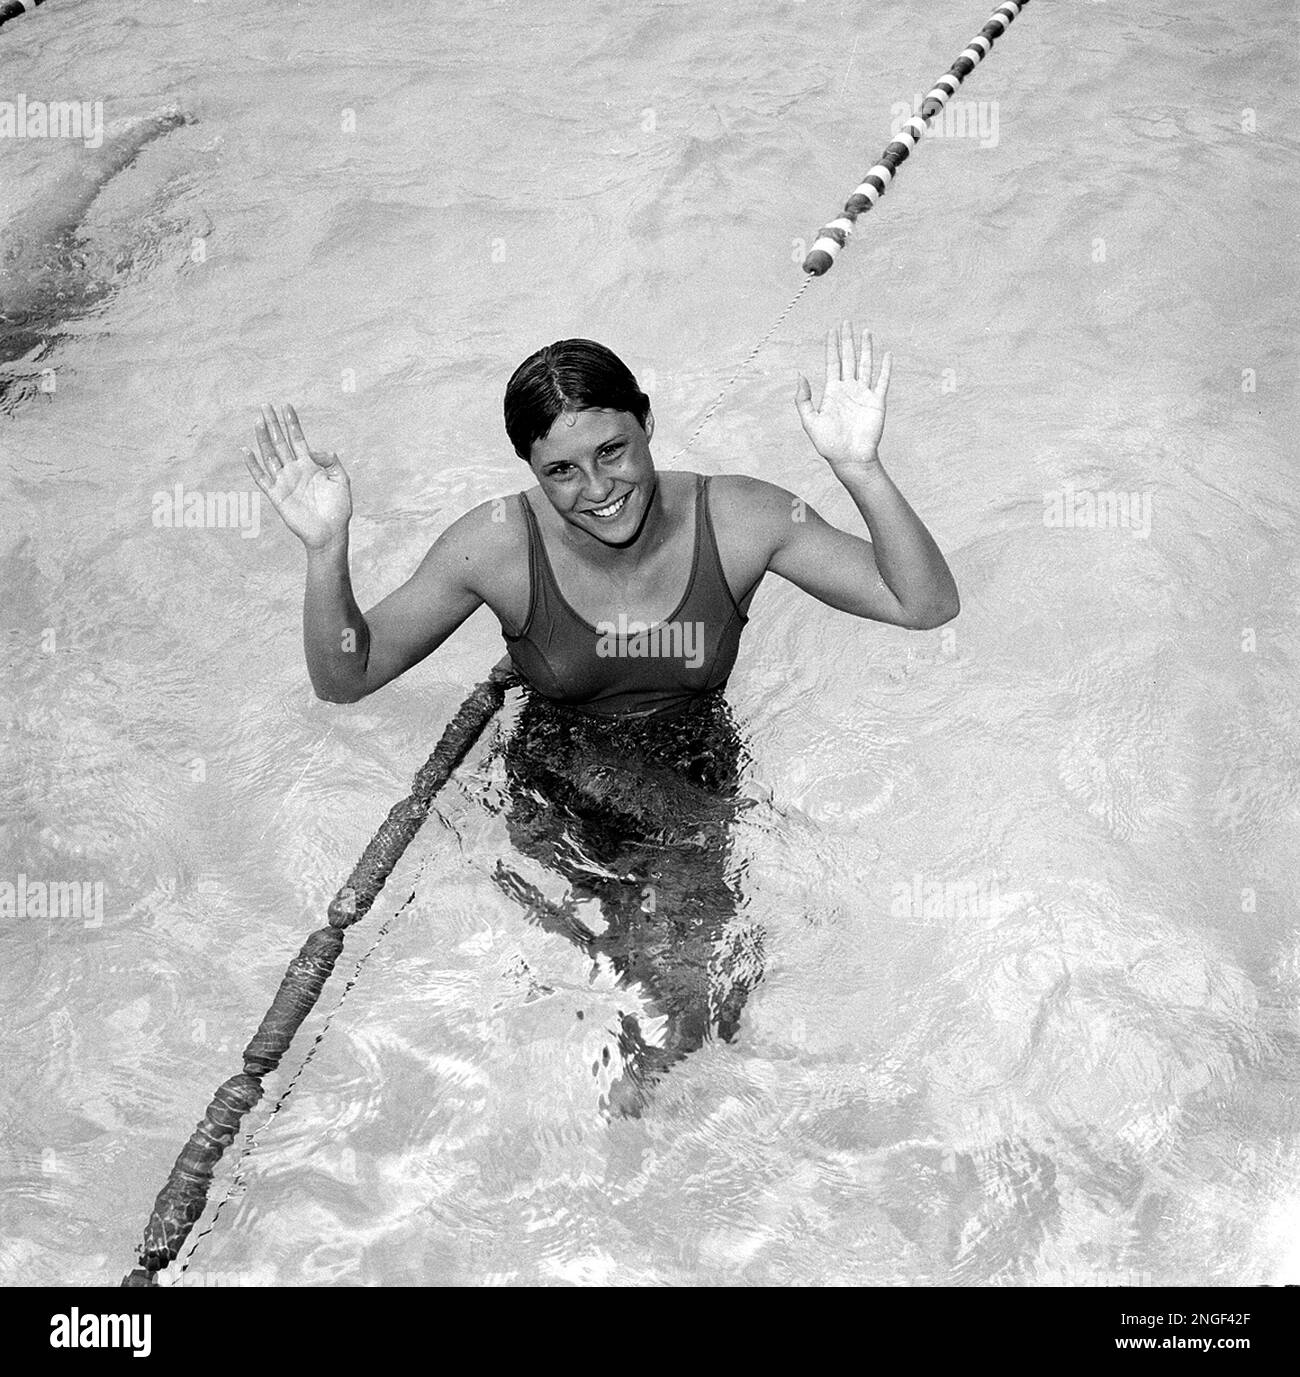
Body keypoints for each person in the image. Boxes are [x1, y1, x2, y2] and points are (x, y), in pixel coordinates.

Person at [244, 321, 958, 1113]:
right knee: (635, 980)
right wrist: (324, 547)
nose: (597, 487)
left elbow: (922, 603)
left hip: (689, 778)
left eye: (612, 451)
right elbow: (348, 675)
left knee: (700, 1000)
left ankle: (662, 1118)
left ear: (647, 421)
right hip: (553, 783)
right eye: (561, 471)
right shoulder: (496, 545)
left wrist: (860, 468)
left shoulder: (744, 517)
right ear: (530, 472)